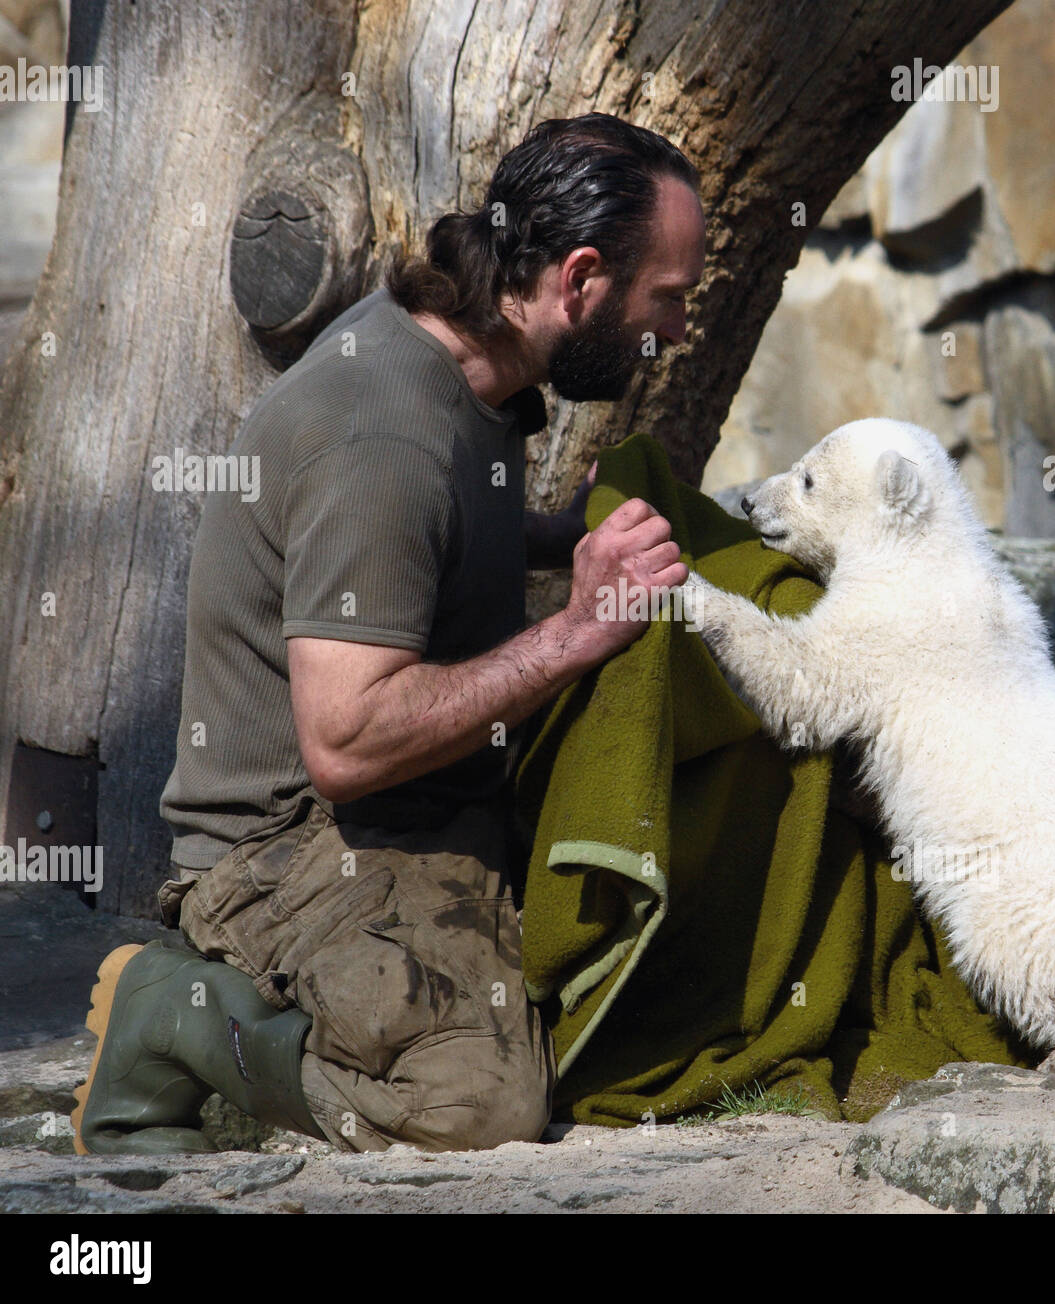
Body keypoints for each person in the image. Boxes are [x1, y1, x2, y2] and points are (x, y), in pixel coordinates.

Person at [71, 112, 704, 1155]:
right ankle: (172, 1013)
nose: (675, 329)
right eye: (667, 299)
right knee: (478, 1104)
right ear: (581, 280)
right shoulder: (383, 427)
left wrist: (560, 536)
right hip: (289, 843)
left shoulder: (463, 364)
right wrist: (578, 630)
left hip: (427, 796)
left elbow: (435, 542)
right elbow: (348, 738)